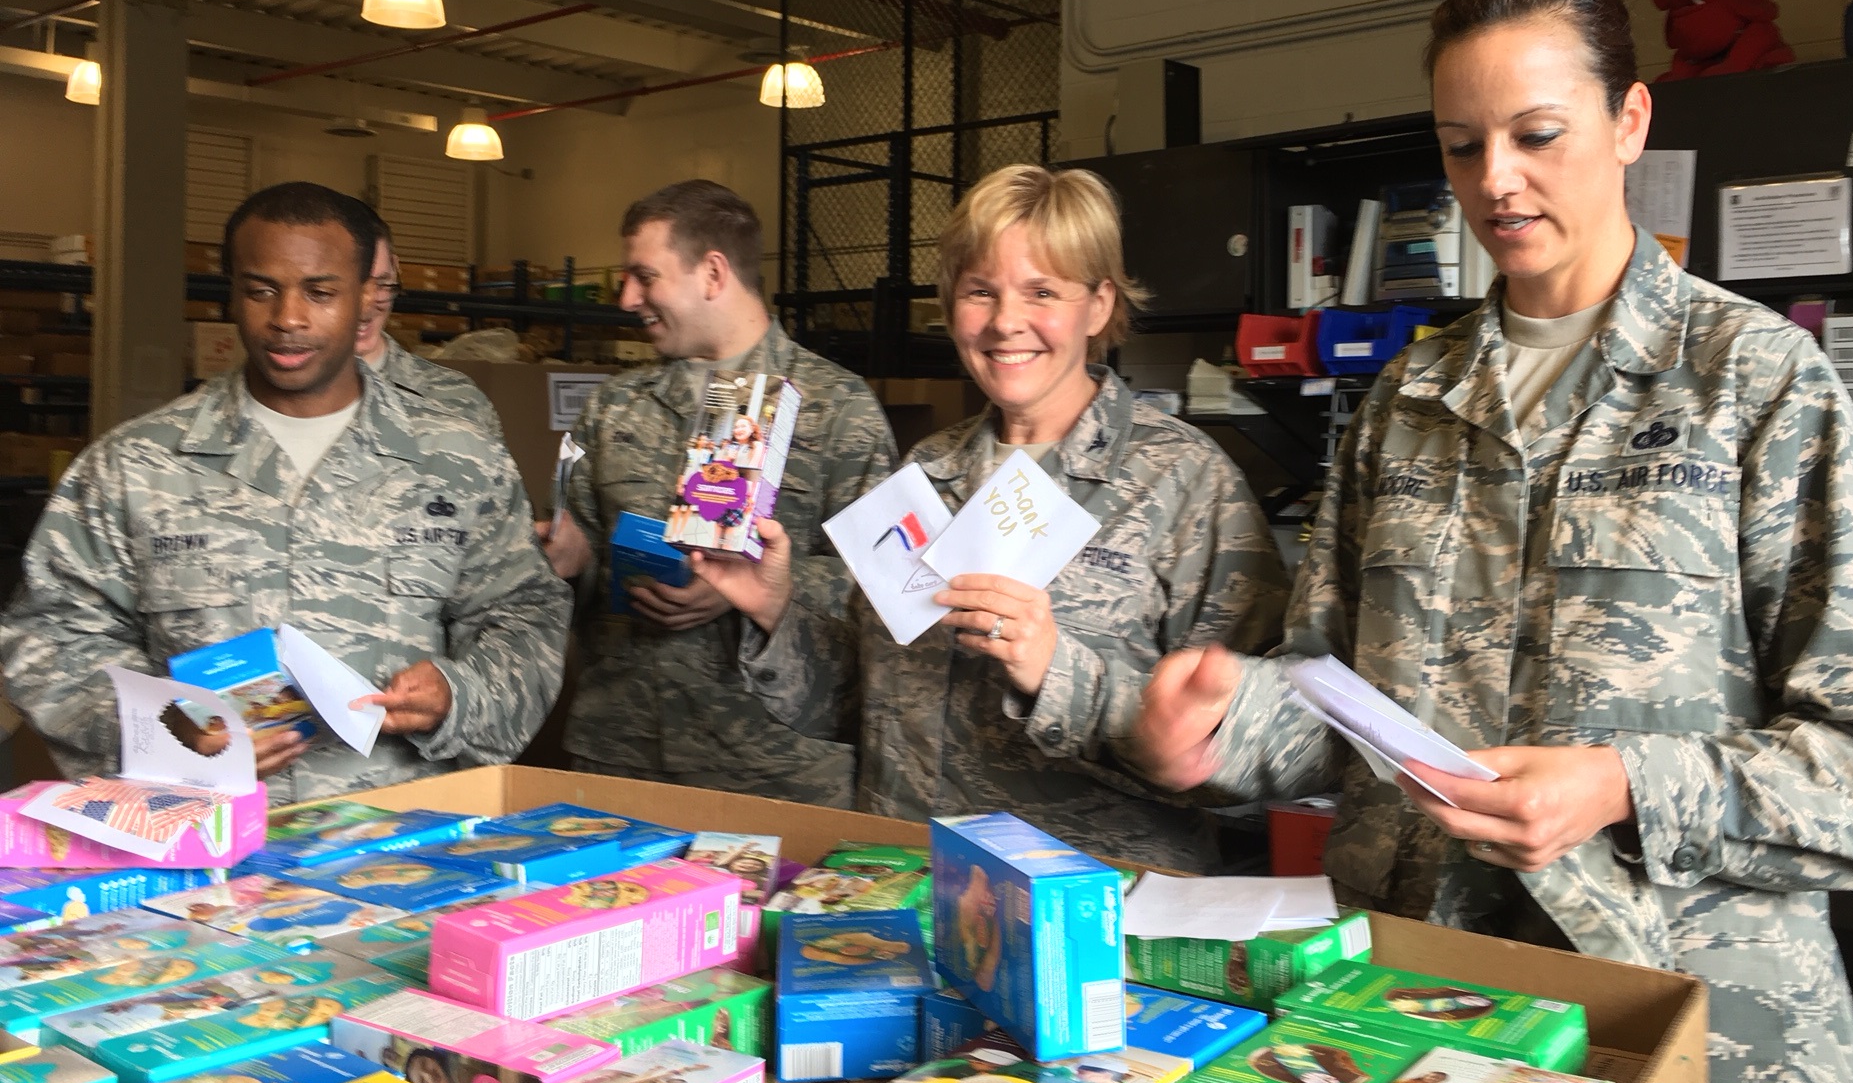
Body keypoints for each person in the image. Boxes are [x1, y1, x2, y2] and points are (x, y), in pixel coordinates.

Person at [1123, 0, 1853, 1083]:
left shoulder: (1757, 385)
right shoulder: (1406, 397)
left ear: (1630, 122)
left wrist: (1624, 783)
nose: (1496, 182)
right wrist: (1227, 723)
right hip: (1423, 1018)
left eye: (1536, 134)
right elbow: (1340, 710)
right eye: (1463, 147)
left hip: (1691, 1029)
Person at [703, 164, 1290, 870]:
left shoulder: (1187, 484)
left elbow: (1258, 767)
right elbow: (863, 705)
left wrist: (1057, 671)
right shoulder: (925, 472)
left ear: (1099, 305)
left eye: (1042, 291)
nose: (1006, 321)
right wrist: (776, 613)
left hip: (1086, 915)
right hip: (906, 883)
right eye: (981, 291)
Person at [0, 182, 570, 802]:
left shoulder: (458, 461)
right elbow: (51, 637)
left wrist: (460, 695)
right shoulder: (136, 465)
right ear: (232, 294)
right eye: (260, 290)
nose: (287, 319)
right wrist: (166, 729)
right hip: (203, 832)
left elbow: (525, 617)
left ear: (368, 301)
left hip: (400, 841)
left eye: (320, 292)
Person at [537, 180, 894, 802]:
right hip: (620, 755)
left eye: (644, 276)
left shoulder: (839, 410)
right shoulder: (615, 406)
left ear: (712, 272)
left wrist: (755, 587)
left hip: (775, 770)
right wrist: (573, 560)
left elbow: (887, 585)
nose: (627, 299)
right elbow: (585, 559)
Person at [353, 215, 505, 439]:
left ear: (396, 270)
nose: (365, 306)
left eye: (381, 283)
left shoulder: (460, 400)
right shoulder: (289, 400)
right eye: (350, 285)